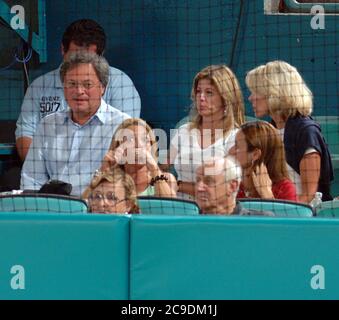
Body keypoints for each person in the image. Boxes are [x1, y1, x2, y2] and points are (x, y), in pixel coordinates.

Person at [16, 18, 141, 161]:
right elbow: (25, 136)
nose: (81, 63)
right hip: (50, 173)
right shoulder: (39, 86)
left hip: (103, 174)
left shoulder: (120, 83)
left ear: (101, 55)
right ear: (63, 49)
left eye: (88, 57)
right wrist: (48, 170)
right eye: (75, 56)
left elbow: (125, 139)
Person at [20, 51, 130, 196]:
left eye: (87, 84)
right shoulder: (48, 124)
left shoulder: (123, 125)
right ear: (63, 87)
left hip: (100, 209)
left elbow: (132, 183)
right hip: (53, 209)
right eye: (71, 84)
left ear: (103, 87)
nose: (79, 91)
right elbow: (32, 178)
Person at [246, 60, 333, 202]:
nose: (250, 98)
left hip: (302, 217)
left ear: (274, 92)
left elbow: (308, 196)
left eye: (256, 91)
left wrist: (271, 202)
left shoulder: (306, 132)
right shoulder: (269, 130)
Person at [170, 64, 245, 199]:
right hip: (180, 210)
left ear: (225, 98)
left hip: (216, 212)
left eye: (209, 92)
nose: (201, 98)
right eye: (199, 91)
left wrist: (178, 184)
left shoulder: (236, 137)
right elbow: (162, 169)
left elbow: (221, 188)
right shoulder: (184, 131)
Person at [100, 118, 177, 197]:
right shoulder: (110, 179)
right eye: (130, 140)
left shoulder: (167, 179)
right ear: (118, 146)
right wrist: (104, 169)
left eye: (144, 140)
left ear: (151, 145)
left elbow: (169, 207)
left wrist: (154, 169)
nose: (139, 145)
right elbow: (88, 205)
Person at [229, 121, 297, 201]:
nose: (230, 151)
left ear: (255, 154)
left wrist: (267, 195)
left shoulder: (284, 189)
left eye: (237, 146)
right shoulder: (230, 184)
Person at [195, 157, 273, 216]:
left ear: (232, 187)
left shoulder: (260, 222)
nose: (199, 188)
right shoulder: (187, 225)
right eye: (197, 180)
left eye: (209, 181)